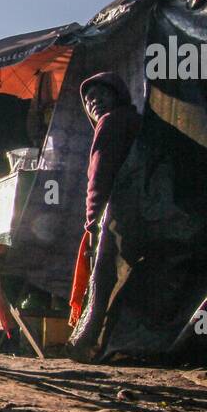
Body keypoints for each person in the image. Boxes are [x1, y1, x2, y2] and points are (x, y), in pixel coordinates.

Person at [69, 71, 142, 324]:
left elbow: (99, 177)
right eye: (89, 100)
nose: (94, 102)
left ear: (117, 96)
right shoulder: (135, 121)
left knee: (108, 284)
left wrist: (92, 222)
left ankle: (99, 336)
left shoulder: (110, 123)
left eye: (102, 95)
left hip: (117, 219)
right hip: (145, 216)